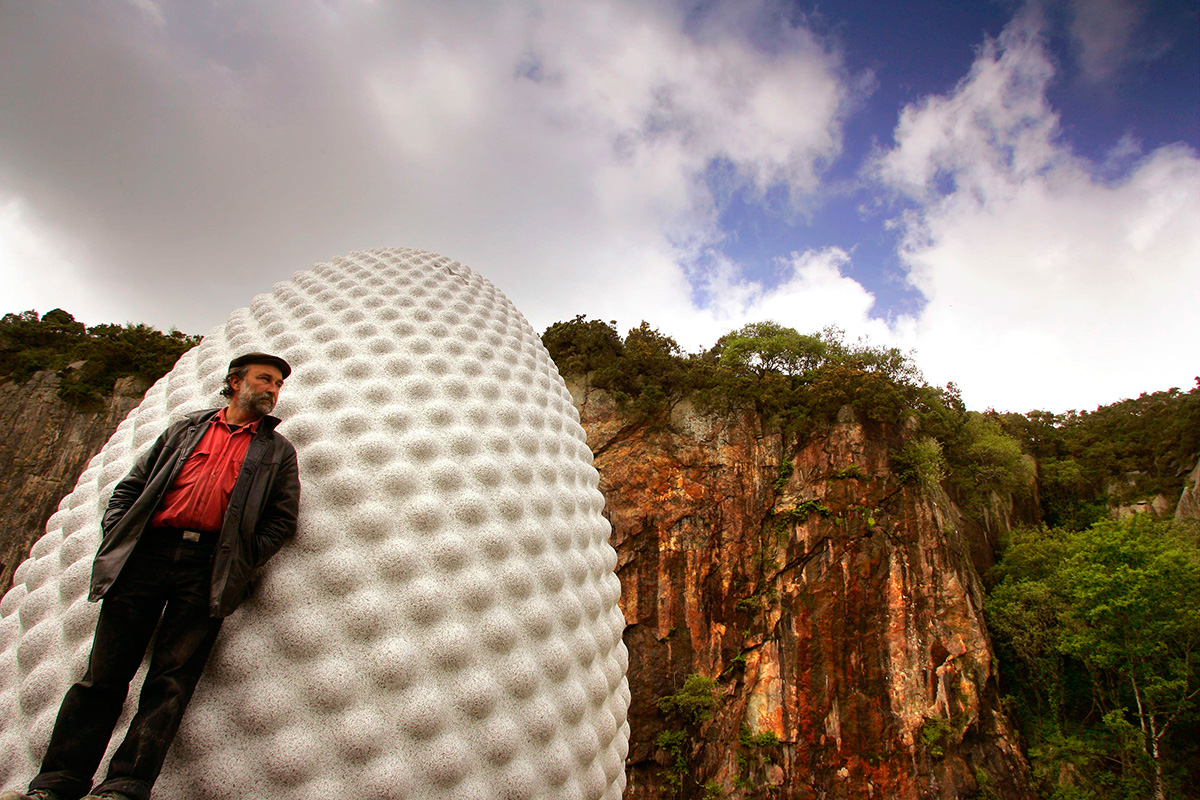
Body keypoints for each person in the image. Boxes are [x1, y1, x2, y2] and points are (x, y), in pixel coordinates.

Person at [2, 353, 301, 800]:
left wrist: (241, 558)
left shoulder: (277, 451)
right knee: (102, 676)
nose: (272, 390)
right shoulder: (186, 429)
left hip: (210, 568)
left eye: (277, 384)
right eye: (265, 380)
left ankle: (124, 786)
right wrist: (119, 532)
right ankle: (57, 782)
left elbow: (282, 519)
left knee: (170, 682)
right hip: (147, 557)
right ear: (235, 382)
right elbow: (131, 486)